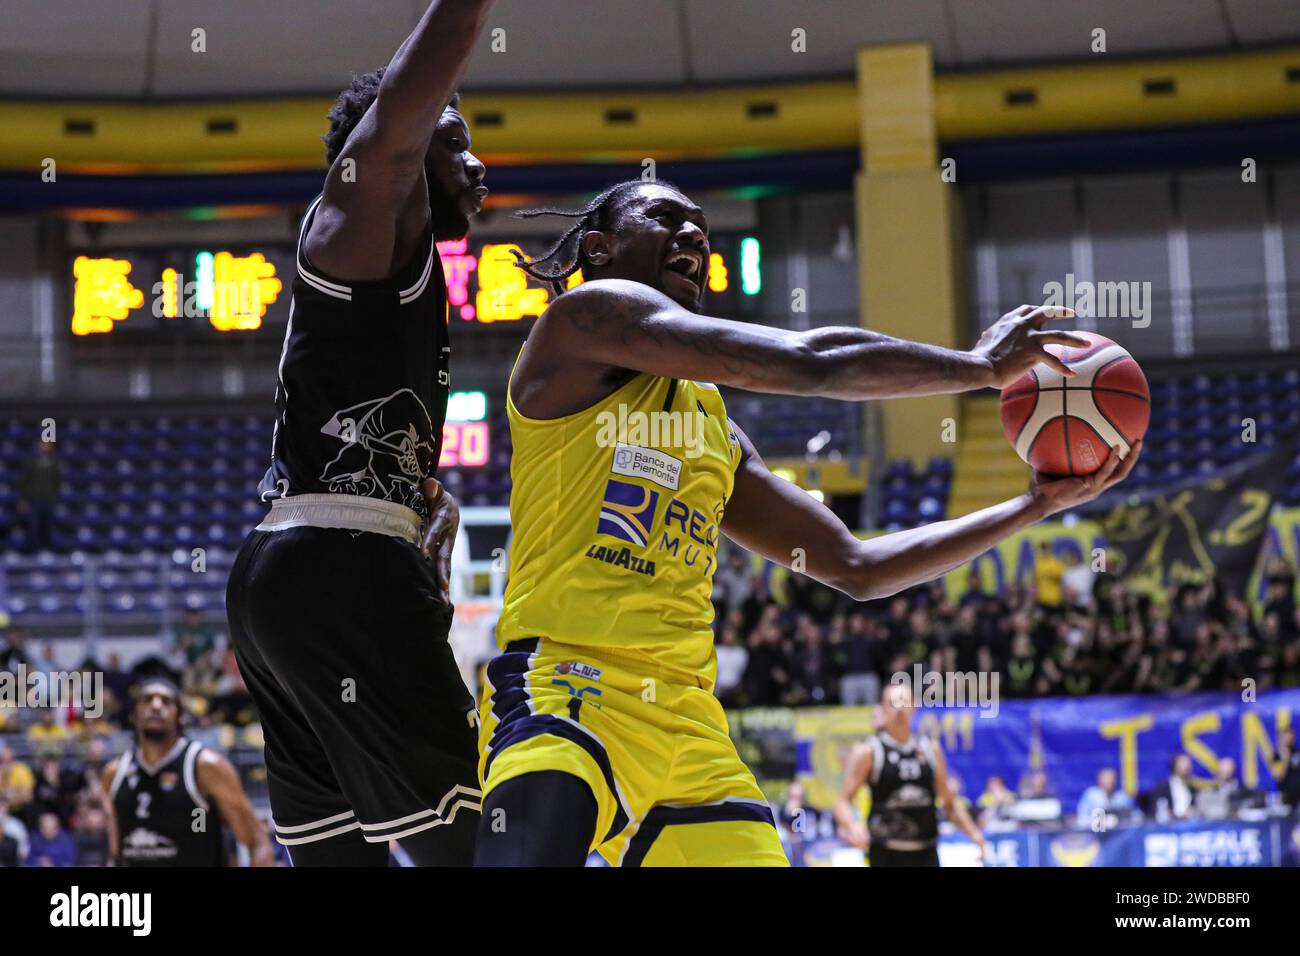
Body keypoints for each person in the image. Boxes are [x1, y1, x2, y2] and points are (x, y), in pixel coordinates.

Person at [472, 177, 1140, 866]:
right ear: (601, 248)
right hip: (564, 686)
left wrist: (1035, 506)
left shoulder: (714, 432)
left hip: (685, 722)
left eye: (701, 225)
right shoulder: (583, 320)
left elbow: (859, 567)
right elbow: (807, 360)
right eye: (666, 218)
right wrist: (978, 367)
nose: (696, 236)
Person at [225, 0, 496, 866]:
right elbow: (439, 53)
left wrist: (424, 496)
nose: (477, 161)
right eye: (452, 140)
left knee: (340, 857)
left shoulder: (390, 266)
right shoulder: (358, 208)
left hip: (289, 576)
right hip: (343, 572)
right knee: (474, 845)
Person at [102, 679, 273, 867]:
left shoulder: (206, 766)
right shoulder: (113, 773)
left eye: (166, 701)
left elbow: (257, 841)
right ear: (133, 715)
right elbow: (115, 852)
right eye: (147, 699)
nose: (156, 705)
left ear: (180, 716)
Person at [833, 684, 985, 866]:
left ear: (914, 705)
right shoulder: (869, 751)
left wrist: (975, 835)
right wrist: (852, 826)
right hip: (885, 853)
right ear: (882, 709)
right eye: (892, 703)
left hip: (926, 852)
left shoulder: (930, 749)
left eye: (904, 702)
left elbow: (949, 803)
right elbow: (843, 801)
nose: (899, 709)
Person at [16, 440, 62, 552]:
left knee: (47, 526)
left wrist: (54, 497)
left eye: (47, 445)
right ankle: (33, 551)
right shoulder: (31, 463)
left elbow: (57, 482)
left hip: (48, 500)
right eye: (43, 445)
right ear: (39, 446)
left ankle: (47, 552)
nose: (45, 447)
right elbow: (24, 482)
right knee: (34, 527)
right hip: (34, 501)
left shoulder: (55, 464)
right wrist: (23, 500)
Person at [1149, 753, 1196, 821]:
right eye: (1183, 763)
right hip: (1170, 824)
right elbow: (1156, 809)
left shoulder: (1192, 786)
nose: (1188, 766)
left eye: (1189, 763)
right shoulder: (1163, 786)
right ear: (1175, 765)